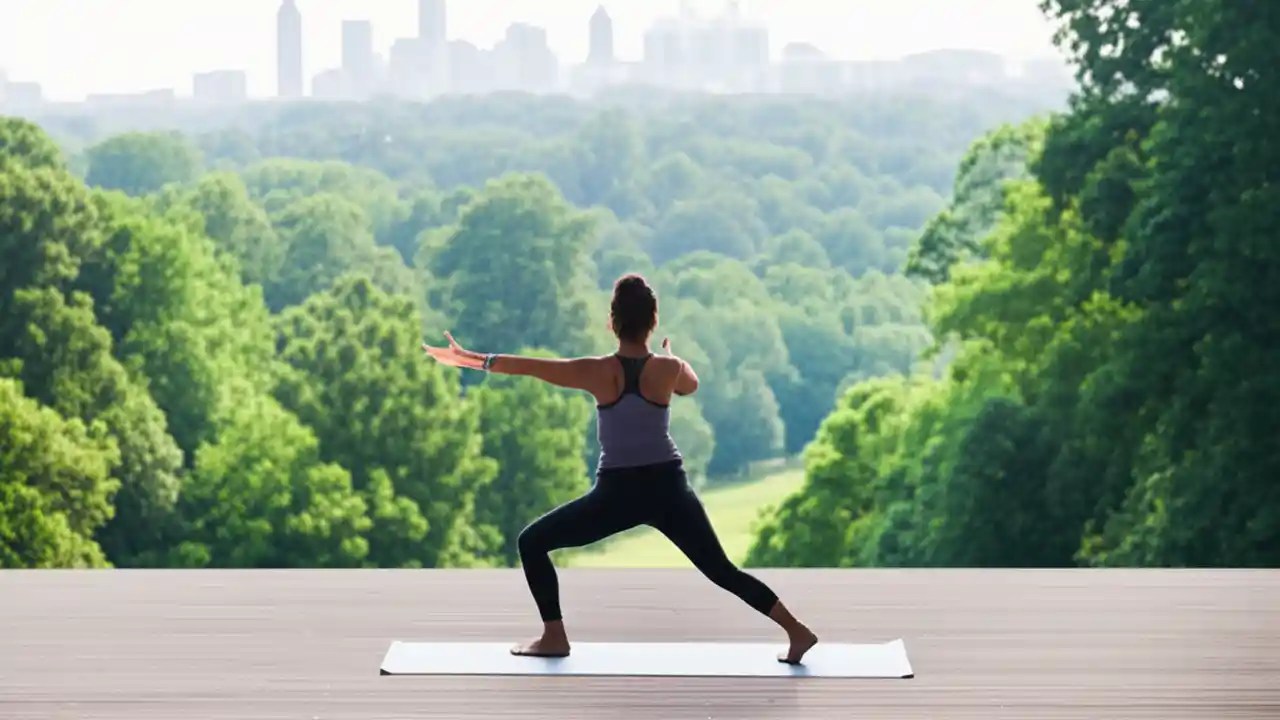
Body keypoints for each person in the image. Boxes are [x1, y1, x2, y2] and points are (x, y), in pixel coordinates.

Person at [421, 273, 819, 664]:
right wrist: (673, 356)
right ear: (653, 320)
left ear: (612, 322)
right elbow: (691, 385)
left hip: (617, 495)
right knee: (722, 570)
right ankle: (796, 630)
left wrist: (470, 359)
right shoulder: (669, 368)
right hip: (668, 488)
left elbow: (530, 366)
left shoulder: (596, 370)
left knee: (532, 542)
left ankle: (554, 636)